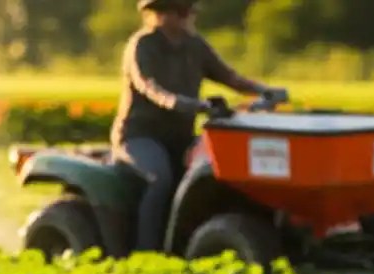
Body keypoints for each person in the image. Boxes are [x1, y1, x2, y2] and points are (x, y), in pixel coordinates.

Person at [110, 0, 285, 253]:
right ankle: (147, 251)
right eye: (181, 12)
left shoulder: (195, 45)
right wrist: (180, 103)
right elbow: (149, 86)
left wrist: (264, 91)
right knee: (159, 179)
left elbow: (230, 77)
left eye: (190, 12)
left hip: (180, 137)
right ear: (159, 15)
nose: (188, 18)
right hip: (140, 136)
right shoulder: (142, 45)